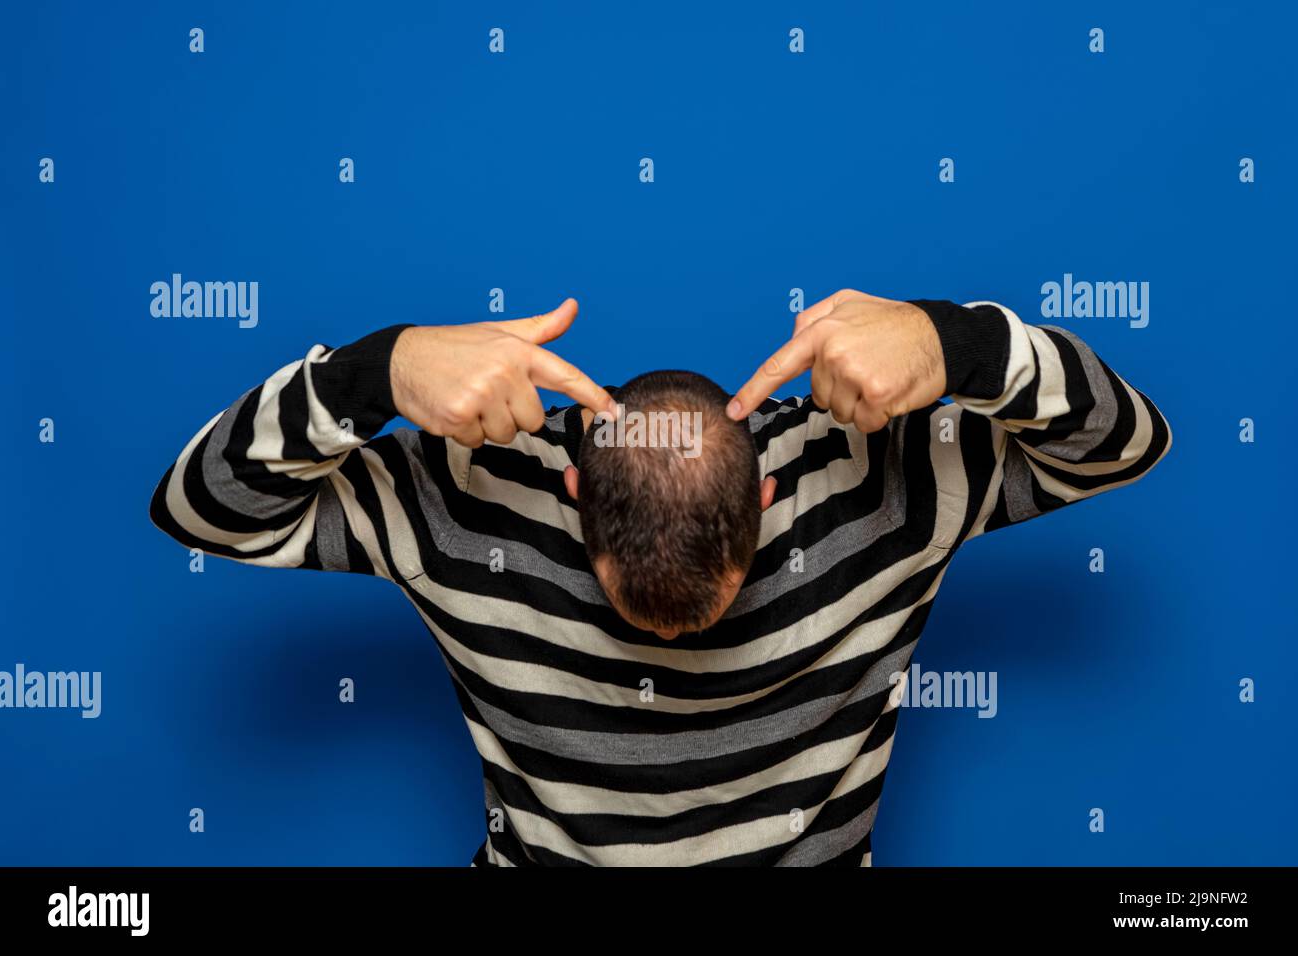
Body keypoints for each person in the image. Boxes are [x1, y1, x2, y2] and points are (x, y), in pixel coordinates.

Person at [150, 290, 1171, 866]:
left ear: (769, 500)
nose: (673, 647)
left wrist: (963, 339)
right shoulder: (477, 497)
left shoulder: (877, 481)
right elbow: (199, 508)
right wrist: (373, 371)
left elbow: (1126, 444)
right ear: (569, 497)